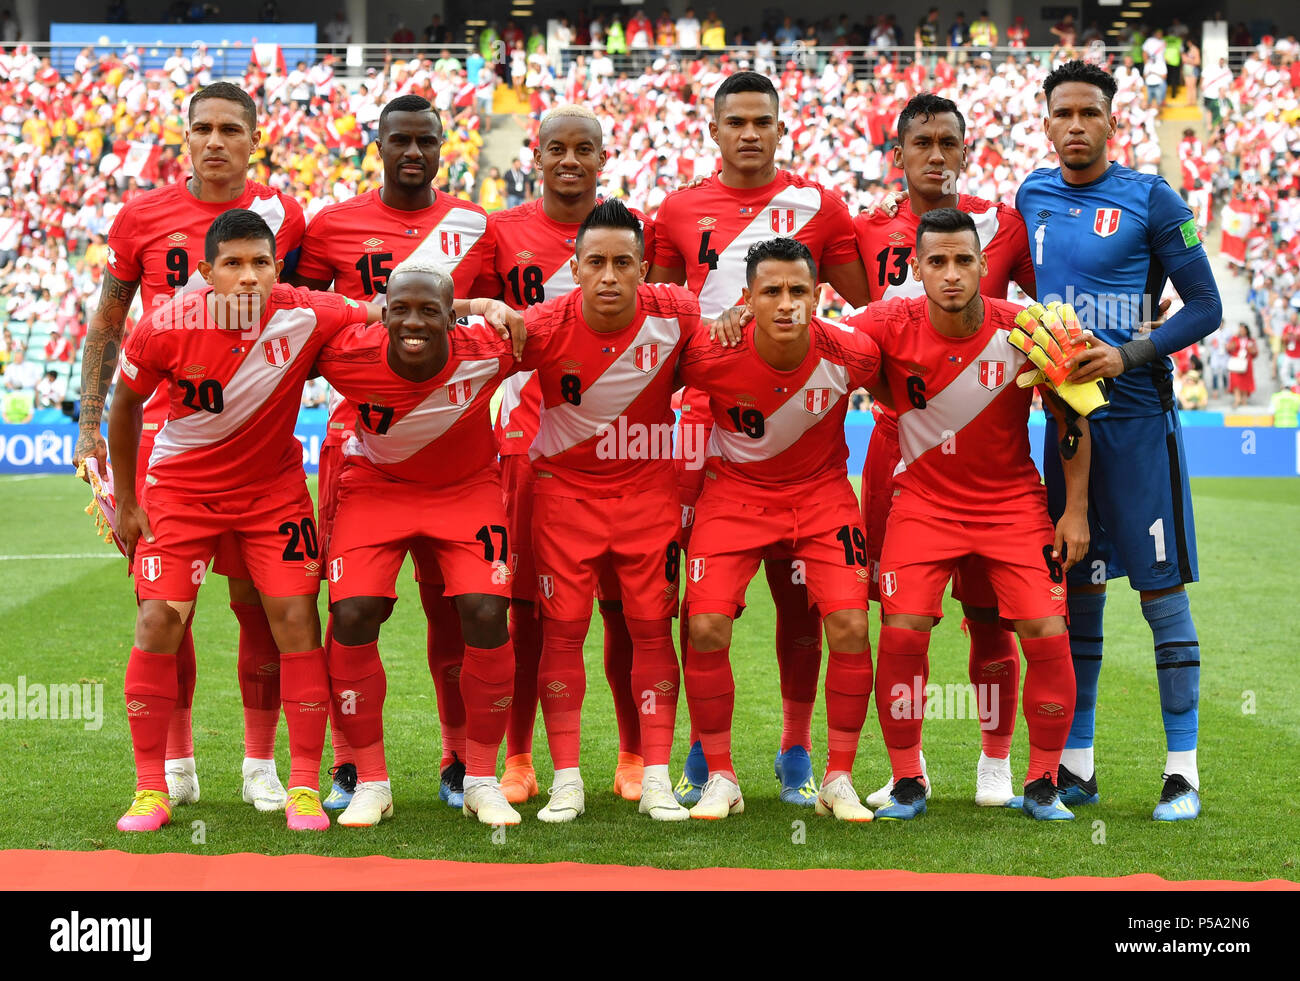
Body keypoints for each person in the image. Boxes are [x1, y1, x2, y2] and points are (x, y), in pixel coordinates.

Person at [75, 81, 307, 813]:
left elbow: (302, 313)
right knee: (163, 608)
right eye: (201, 127)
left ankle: (261, 764)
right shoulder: (141, 216)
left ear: (253, 138)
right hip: (165, 444)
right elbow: (109, 322)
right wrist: (88, 425)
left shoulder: (284, 216)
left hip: (253, 434)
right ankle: (173, 763)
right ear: (185, 138)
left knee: (259, 606)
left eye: (229, 129)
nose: (214, 141)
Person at [106, 208, 373, 832]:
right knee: (158, 620)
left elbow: (388, 308)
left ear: (276, 267)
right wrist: (126, 500)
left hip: (272, 495)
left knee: (296, 621)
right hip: (180, 492)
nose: (248, 277)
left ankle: (302, 787)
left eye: (260, 263)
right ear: (205, 273)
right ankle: (152, 790)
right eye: (233, 264)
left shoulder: (308, 309)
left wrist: (484, 308)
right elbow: (124, 405)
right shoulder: (164, 325)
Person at [648, 70, 871, 808]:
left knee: (808, 604)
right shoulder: (679, 210)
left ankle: (799, 747)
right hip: (711, 424)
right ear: (713, 129)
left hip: (804, 418)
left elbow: (865, 305)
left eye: (762, 121)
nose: (749, 132)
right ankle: (708, 756)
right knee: (702, 607)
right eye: (735, 120)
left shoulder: (821, 206)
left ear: (782, 129)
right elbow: (662, 308)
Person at [1018, 61, 1223, 821]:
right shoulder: (1031, 196)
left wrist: (1132, 352)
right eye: (1062, 113)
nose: (1075, 125)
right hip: (1065, 427)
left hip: (1137, 421)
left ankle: (1182, 772)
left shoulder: (1152, 199)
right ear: (1046, 124)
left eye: (1089, 113)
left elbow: (1205, 306)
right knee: (1078, 590)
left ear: (1112, 123)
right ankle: (1077, 764)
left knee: (1161, 594)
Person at [290, 93, 498, 812]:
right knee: (352, 606)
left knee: (459, 609)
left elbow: (497, 322)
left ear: (445, 147)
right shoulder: (332, 227)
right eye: (400, 141)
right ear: (376, 145)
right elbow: (299, 322)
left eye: (427, 142)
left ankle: (457, 758)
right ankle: (351, 763)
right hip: (363, 436)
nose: (414, 153)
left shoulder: (476, 226)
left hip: (453, 435)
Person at [852, 207, 1089, 821]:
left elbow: (1073, 418)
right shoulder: (885, 322)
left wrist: (1076, 513)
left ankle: (1038, 782)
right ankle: (908, 780)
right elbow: (815, 344)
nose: (952, 274)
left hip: (1013, 506)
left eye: (964, 261)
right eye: (938, 262)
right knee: (902, 631)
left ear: (986, 266)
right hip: (924, 504)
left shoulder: (1029, 328)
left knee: (1044, 631)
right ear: (917, 269)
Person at [852, 93, 1037, 808]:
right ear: (896, 155)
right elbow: (843, 327)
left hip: (990, 457)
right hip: (899, 449)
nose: (936, 155)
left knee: (990, 617)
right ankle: (910, 766)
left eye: (948, 143)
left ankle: (996, 763)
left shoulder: (1005, 226)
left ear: (966, 150)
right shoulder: (863, 231)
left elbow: (1041, 315)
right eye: (920, 143)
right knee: (901, 616)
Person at [483, 105, 657, 806]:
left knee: (626, 612)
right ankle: (520, 756)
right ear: (537, 154)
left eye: (584, 149)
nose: (570, 161)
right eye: (557, 148)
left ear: (602, 156)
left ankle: (636, 751)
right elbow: (463, 311)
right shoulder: (502, 233)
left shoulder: (626, 231)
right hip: (528, 445)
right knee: (528, 612)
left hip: (621, 450)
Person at [312, 259, 524, 827]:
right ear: (382, 313)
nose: (413, 322)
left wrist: (494, 308)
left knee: (485, 610)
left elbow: (560, 328)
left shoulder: (490, 348)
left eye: (429, 310)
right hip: (375, 488)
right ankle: (370, 782)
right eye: (399, 309)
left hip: (467, 489)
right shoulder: (346, 353)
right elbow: (294, 317)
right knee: (353, 612)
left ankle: (481, 777)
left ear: (452, 317)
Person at [676, 237, 880, 822]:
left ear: (818, 296)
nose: (786, 304)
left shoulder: (853, 353)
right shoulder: (707, 355)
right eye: (772, 292)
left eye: (797, 291)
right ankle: (719, 774)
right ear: (747, 300)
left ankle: (837, 777)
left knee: (848, 625)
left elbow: (903, 390)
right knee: (707, 624)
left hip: (822, 499)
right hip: (734, 497)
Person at [514, 200, 697, 823]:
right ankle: (567, 779)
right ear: (575, 266)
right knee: (562, 633)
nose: (610, 276)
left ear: (645, 269)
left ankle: (654, 777)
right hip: (563, 498)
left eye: (624, 263)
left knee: (650, 631)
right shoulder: (540, 325)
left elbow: (731, 332)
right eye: (597, 262)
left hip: (649, 497)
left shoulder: (678, 314)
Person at [1227, 323, 1258, 407]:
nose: (1241, 332)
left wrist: (1250, 350)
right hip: (1236, 362)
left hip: (1246, 363)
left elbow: (1255, 353)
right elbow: (1228, 349)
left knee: (1245, 382)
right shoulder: (1234, 339)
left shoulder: (1251, 340)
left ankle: (1244, 400)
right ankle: (1237, 399)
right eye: (1240, 330)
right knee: (1235, 381)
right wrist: (1233, 344)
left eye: (1243, 330)